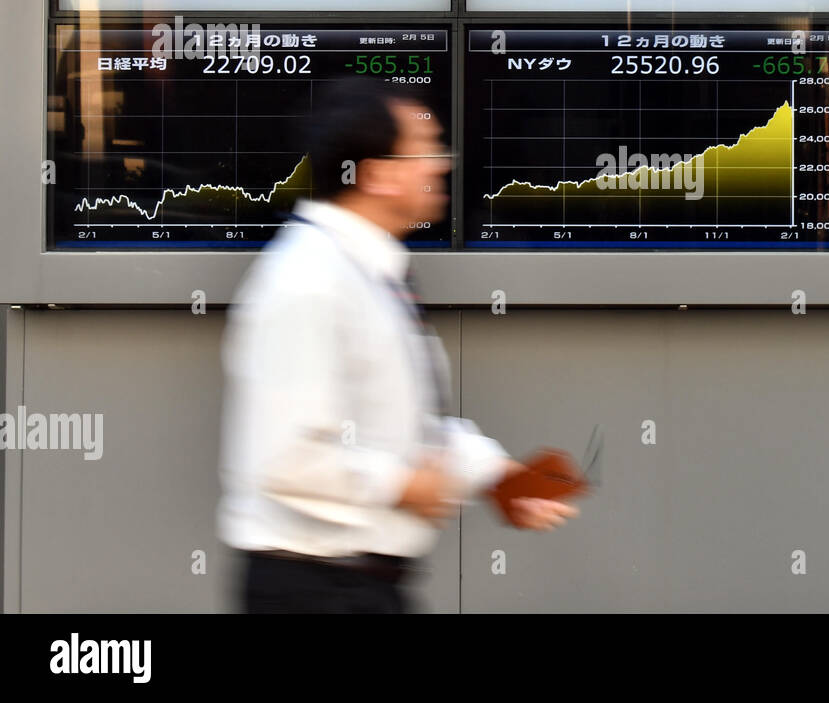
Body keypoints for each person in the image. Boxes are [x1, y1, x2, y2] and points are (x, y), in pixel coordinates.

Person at [217, 78, 577, 612]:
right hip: (317, 591)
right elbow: (286, 457)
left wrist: (500, 477)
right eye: (426, 149)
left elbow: (405, 431)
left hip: (360, 587)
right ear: (377, 174)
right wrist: (407, 485)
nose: (442, 163)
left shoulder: (366, 272)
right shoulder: (308, 280)